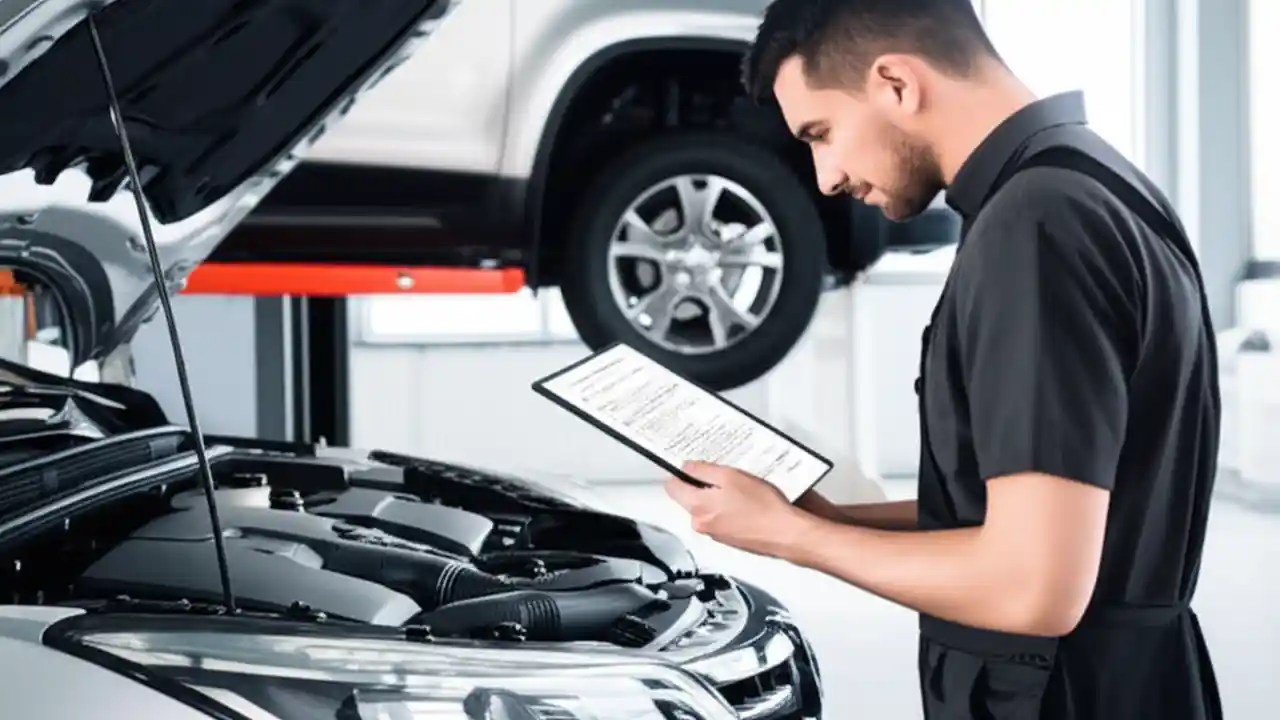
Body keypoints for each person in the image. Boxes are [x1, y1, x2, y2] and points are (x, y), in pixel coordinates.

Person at [662, 1, 1224, 718]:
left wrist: (792, 537)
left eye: (821, 133)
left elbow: (1033, 586)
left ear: (896, 83)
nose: (826, 176)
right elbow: (1038, 517)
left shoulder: (1036, 227)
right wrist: (834, 518)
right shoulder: (1095, 183)